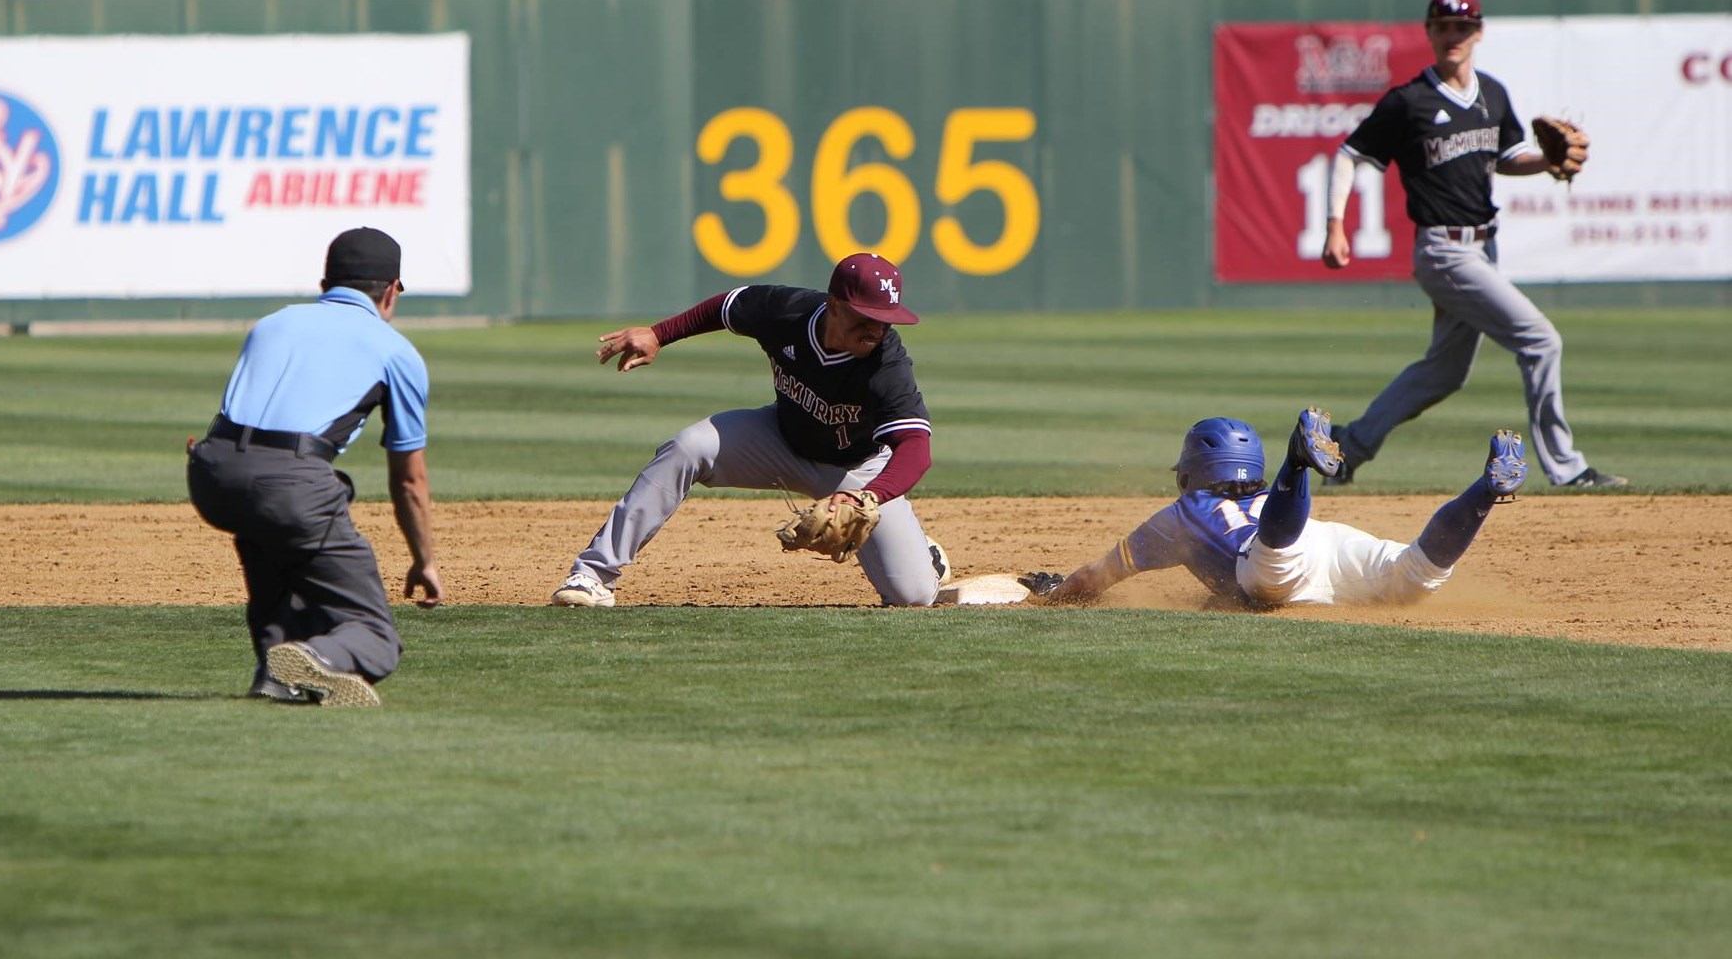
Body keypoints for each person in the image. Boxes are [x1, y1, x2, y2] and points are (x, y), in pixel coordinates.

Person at [1321, 0, 1626, 489]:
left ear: (1478, 32)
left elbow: (1508, 159)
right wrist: (1336, 224)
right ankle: (1569, 470)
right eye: (1442, 26)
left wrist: (1547, 161)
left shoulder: (1492, 94)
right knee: (1541, 340)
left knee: (1444, 373)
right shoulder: (1409, 102)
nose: (1452, 35)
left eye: (1462, 26)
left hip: (1484, 247)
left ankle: (1345, 450)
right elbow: (1350, 154)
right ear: (1429, 33)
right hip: (1443, 250)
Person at [551, 252, 948, 608]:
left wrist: (865, 498)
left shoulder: (887, 365)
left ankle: (924, 555)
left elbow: (916, 446)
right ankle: (593, 575)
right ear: (835, 306)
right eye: (866, 317)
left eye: (884, 320)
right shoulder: (784, 311)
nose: (876, 329)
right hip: (778, 441)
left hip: (857, 471)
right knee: (688, 447)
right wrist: (659, 333)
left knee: (912, 596)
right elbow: (725, 307)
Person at [187, 227, 443, 707]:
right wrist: (423, 558)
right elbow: (409, 478)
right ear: (391, 290)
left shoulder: (272, 323)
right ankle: (315, 655)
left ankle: (276, 674)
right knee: (375, 636)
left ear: (326, 284)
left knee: (272, 545)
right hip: (290, 483)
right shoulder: (395, 351)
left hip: (212, 472)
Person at [1023, 408, 1525, 610]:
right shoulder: (1256, 500)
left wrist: (1056, 594)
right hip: (1321, 537)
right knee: (1414, 577)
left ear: (1193, 467)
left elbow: (1096, 578)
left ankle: (1298, 461)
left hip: (1269, 555)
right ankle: (1486, 489)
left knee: (1271, 560)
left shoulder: (1183, 513)